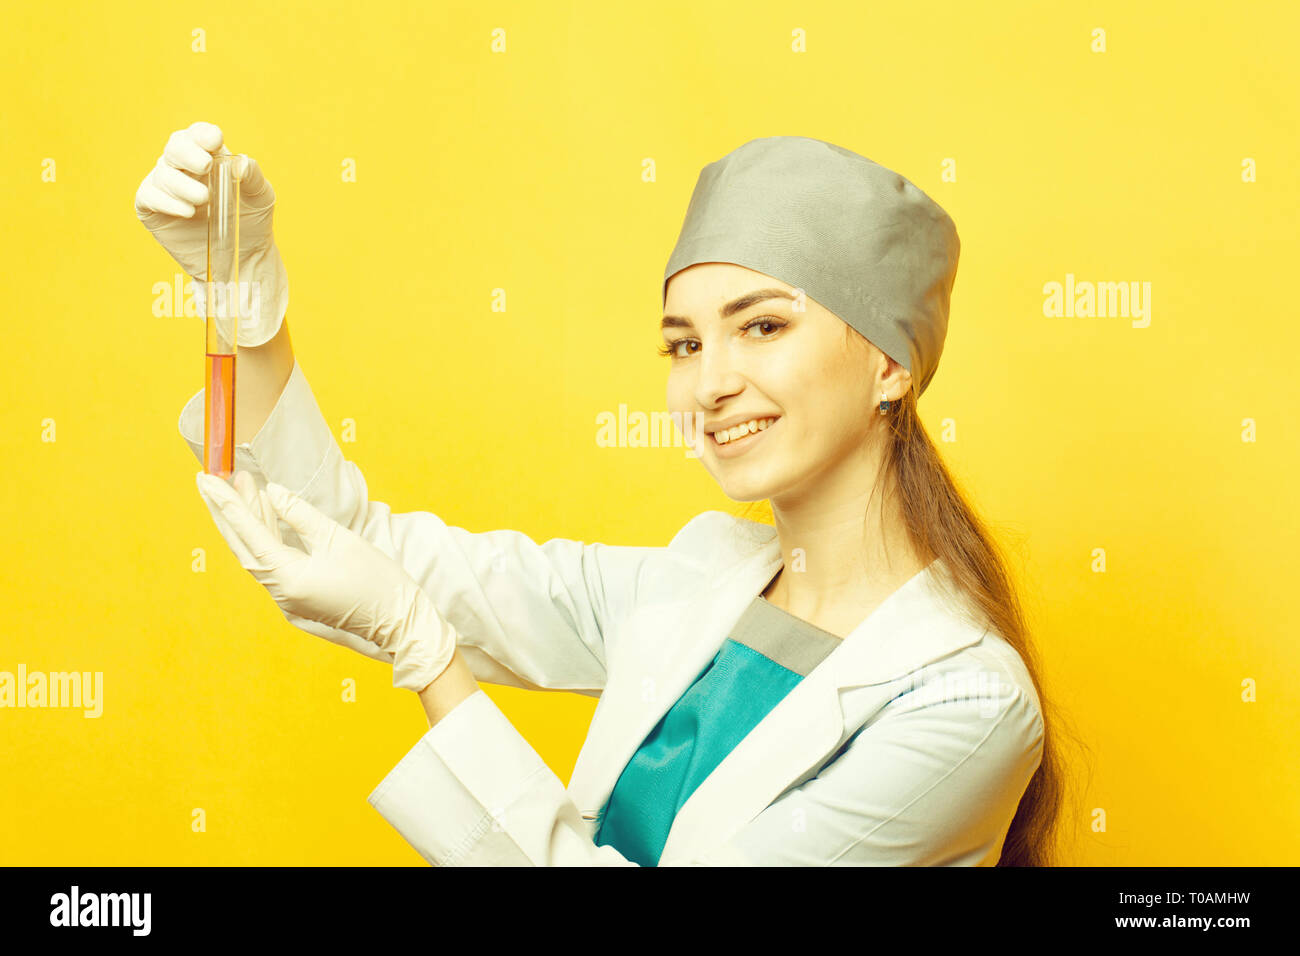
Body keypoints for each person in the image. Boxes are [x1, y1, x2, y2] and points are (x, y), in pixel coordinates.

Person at [136, 122, 1063, 866]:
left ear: (893, 364)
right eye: (685, 344)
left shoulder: (966, 705)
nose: (711, 384)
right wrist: (244, 301)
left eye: (764, 326)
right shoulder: (698, 576)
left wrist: (429, 660)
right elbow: (353, 545)